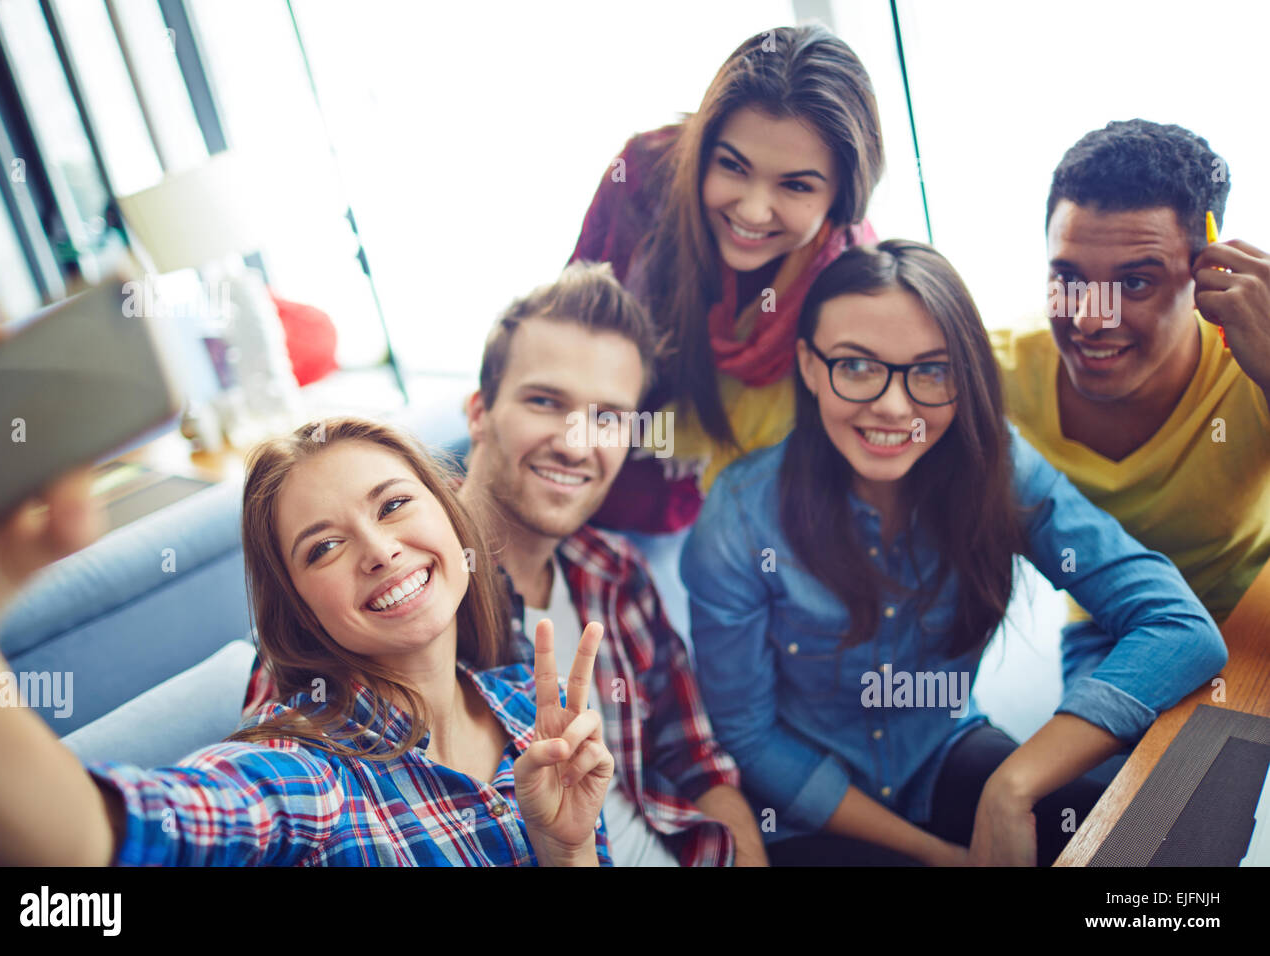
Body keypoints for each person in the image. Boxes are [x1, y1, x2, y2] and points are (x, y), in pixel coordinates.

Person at [679, 240, 1227, 867]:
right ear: (808, 366)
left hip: (945, 755)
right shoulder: (741, 517)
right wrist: (940, 856)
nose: (892, 406)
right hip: (807, 810)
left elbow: (1181, 628)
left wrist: (1013, 784)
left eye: (932, 371)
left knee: (1156, 846)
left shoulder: (999, 464)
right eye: (856, 365)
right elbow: (749, 738)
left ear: (964, 379)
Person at [246, 263, 767, 864]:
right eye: (546, 402)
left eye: (607, 418)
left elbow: (697, 759)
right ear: (479, 412)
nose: (576, 443)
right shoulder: (389, 598)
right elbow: (282, 800)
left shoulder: (614, 572)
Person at [0, 402, 614, 865]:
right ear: (300, 608)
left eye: (392, 505)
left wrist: (570, 850)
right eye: (323, 547)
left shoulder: (535, 710)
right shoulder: (306, 777)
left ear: (449, 509)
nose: (380, 550)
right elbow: (92, 846)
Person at [570, 23, 883, 533]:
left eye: (797, 185)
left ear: (842, 198)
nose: (754, 211)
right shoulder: (642, 176)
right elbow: (571, 326)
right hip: (575, 458)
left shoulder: (853, 282)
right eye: (733, 167)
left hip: (705, 508)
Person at [991, 120, 1270, 676]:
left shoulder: (1252, 358)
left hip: (1253, 607)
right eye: (1068, 278)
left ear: (1207, 275)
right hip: (1111, 626)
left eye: (1135, 283)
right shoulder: (995, 375)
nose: (1091, 319)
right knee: (1117, 769)